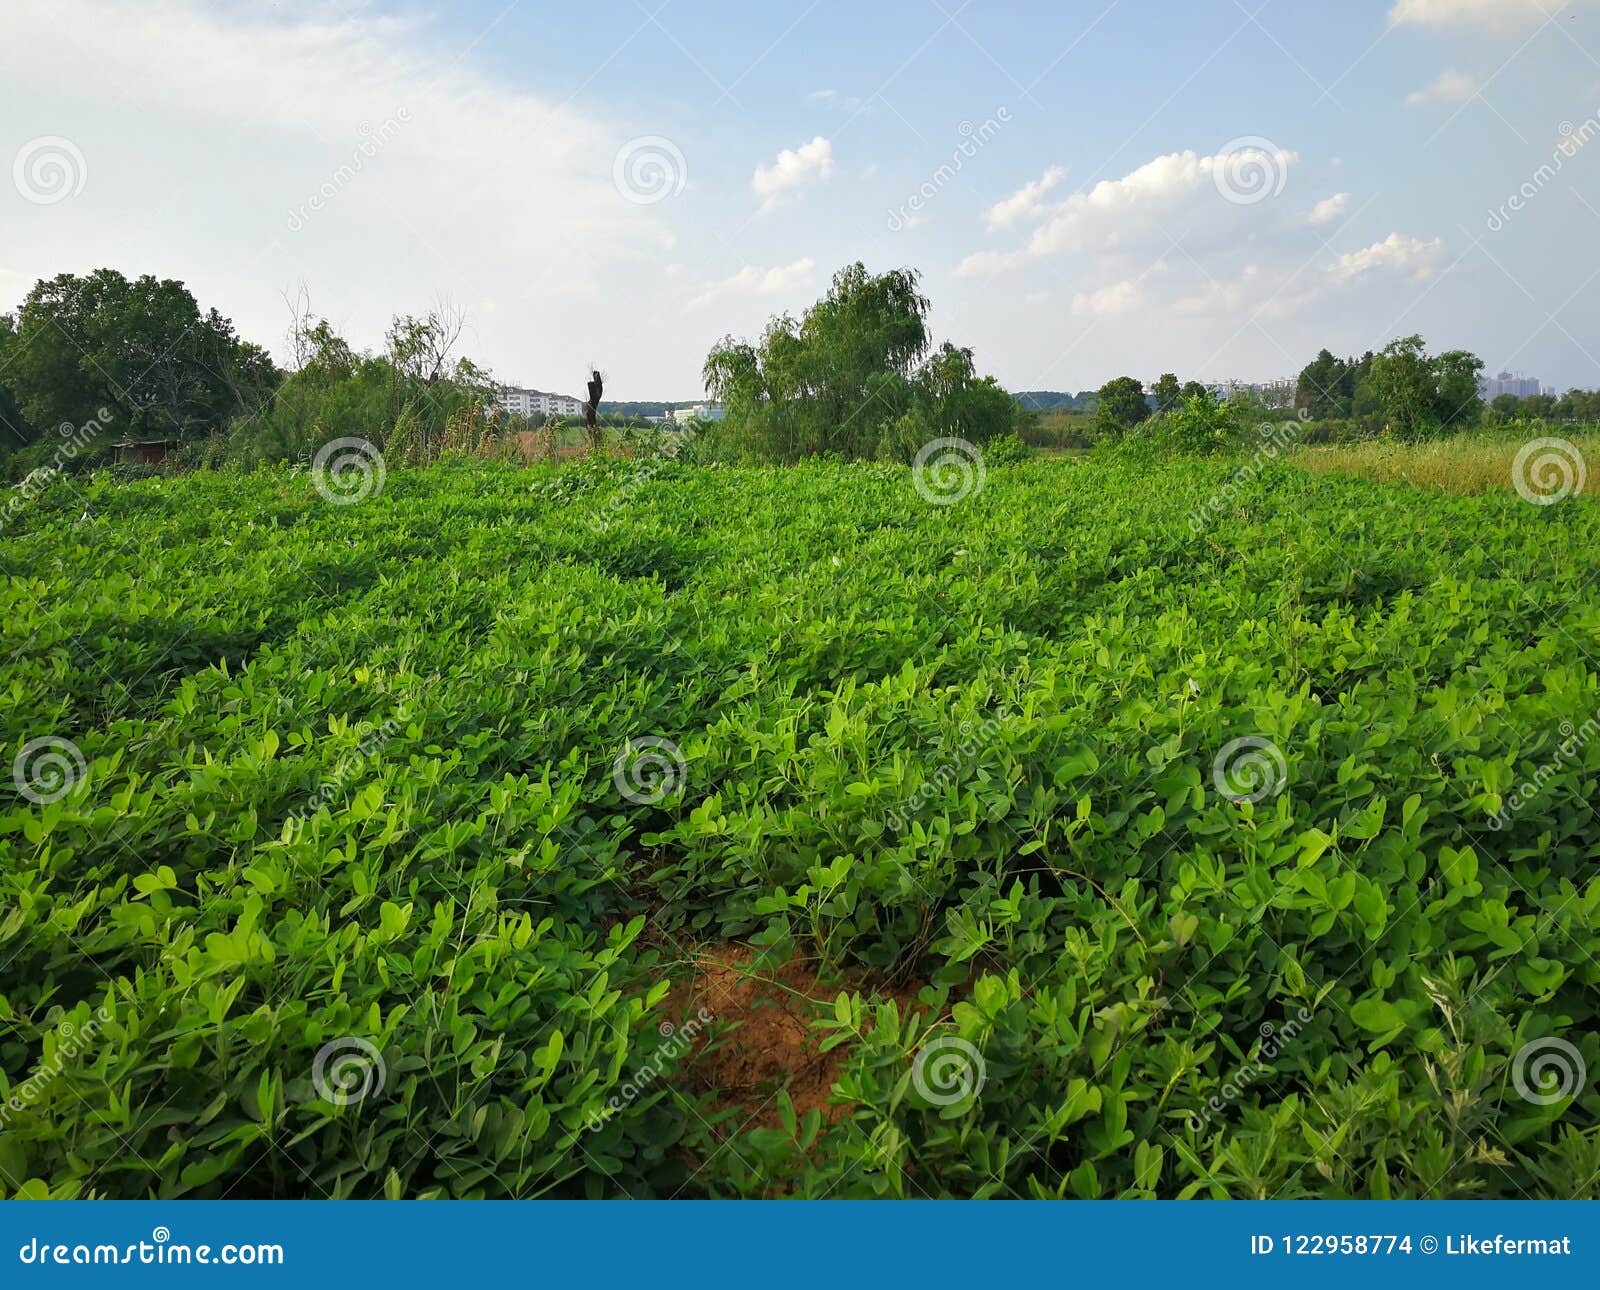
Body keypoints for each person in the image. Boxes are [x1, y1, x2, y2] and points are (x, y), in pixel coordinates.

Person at [585, 369, 603, 449]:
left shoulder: (595, 397)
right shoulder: (593, 400)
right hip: (591, 417)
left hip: (592, 420)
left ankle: (595, 445)